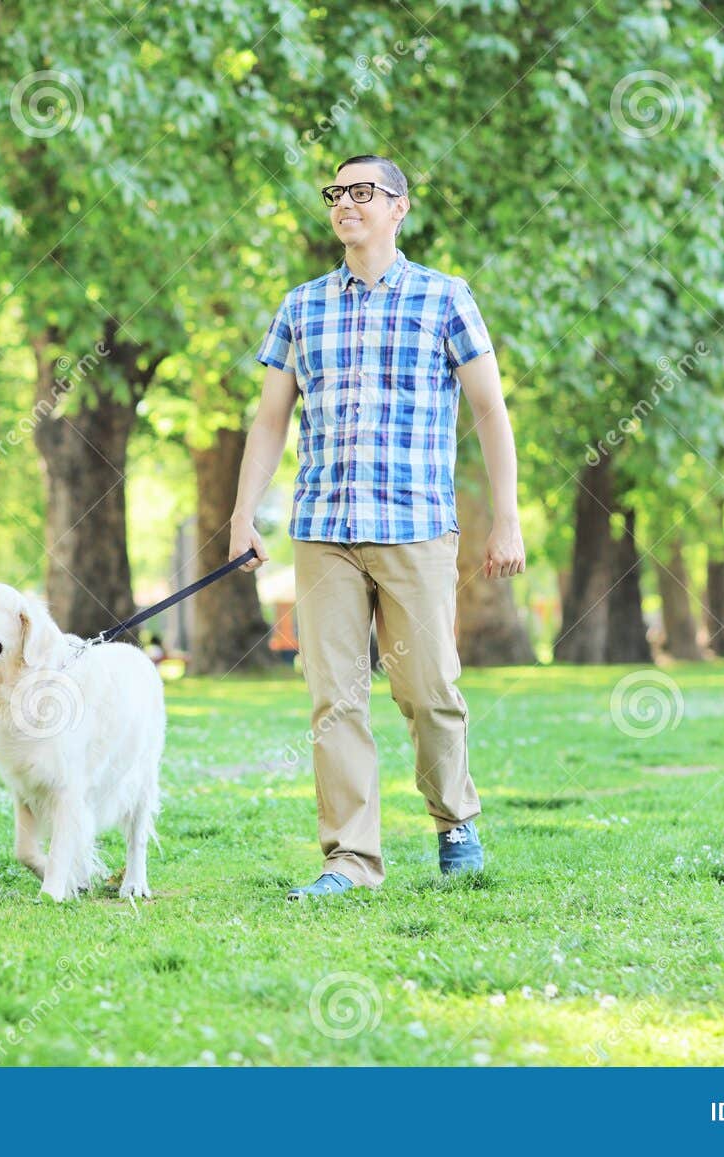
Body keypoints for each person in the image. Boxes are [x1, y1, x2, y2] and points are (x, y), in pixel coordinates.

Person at [228, 154, 526, 900]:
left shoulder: (445, 298)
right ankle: (349, 861)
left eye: (364, 192)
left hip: (416, 525)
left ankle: (455, 820)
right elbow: (269, 421)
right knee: (335, 701)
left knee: (426, 689)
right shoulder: (301, 305)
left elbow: (490, 410)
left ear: (399, 207)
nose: (345, 203)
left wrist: (508, 519)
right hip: (324, 528)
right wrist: (242, 515)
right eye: (337, 192)